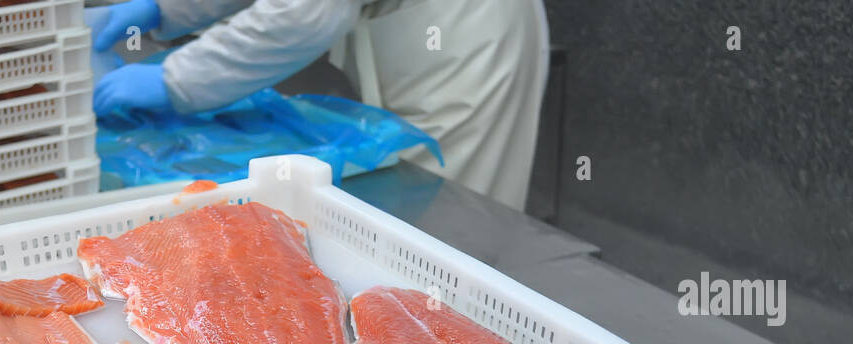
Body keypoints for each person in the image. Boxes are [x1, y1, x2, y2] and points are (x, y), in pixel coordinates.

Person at [91, 0, 549, 210]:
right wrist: (164, 7)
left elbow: (307, 11)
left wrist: (177, 79)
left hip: (459, 39)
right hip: (402, 28)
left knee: (444, 210)